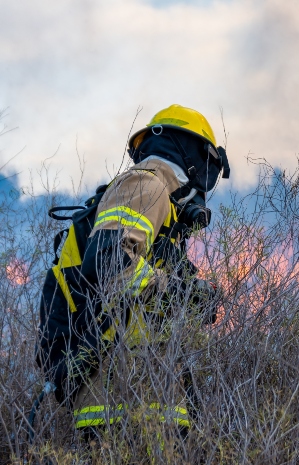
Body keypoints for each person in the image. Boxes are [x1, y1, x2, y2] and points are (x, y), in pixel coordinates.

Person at [36, 104, 229, 435]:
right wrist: (173, 289)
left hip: (143, 386)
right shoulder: (145, 184)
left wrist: (193, 295)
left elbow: (145, 285)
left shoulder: (162, 207)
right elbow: (111, 260)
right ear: (199, 159)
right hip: (118, 389)